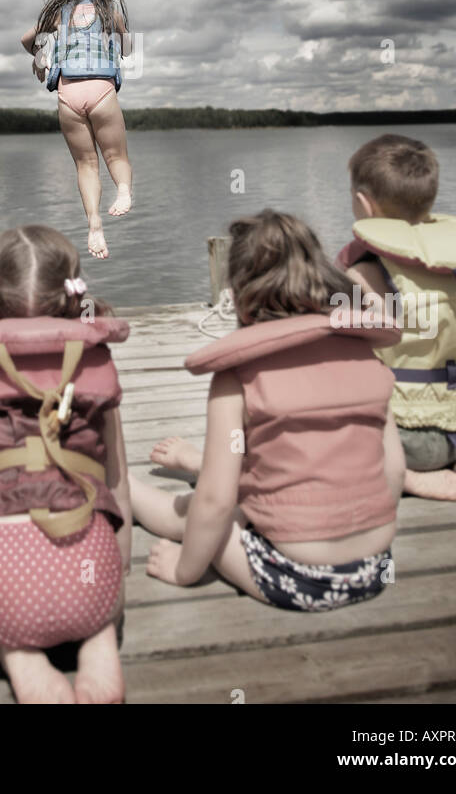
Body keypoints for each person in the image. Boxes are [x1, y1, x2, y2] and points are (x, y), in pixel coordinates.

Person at [133, 211, 405, 612]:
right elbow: (393, 470)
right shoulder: (367, 356)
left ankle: (126, 488)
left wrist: (184, 572)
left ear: (239, 290)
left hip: (295, 578)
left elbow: (215, 501)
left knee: (199, 512)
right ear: (322, 275)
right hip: (373, 567)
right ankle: (181, 471)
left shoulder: (237, 376)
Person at [0, 225, 131, 703]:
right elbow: (118, 485)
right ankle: (100, 639)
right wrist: (115, 576)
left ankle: (18, 658)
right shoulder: (94, 359)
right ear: (71, 293)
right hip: (88, 573)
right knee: (99, 603)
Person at [337, 134, 456, 501]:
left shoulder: (362, 275)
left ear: (362, 203)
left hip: (395, 441)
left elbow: (345, 361)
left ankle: (408, 479)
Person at [21, 0, 133, 259]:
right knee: (116, 156)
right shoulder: (110, 13)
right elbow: (129, 49)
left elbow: (25, 39)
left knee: (86, 164)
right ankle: (122, 190)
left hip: (68, 96)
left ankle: (95, 224)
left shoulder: (57, 15)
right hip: (101, 92)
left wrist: (39, 54)